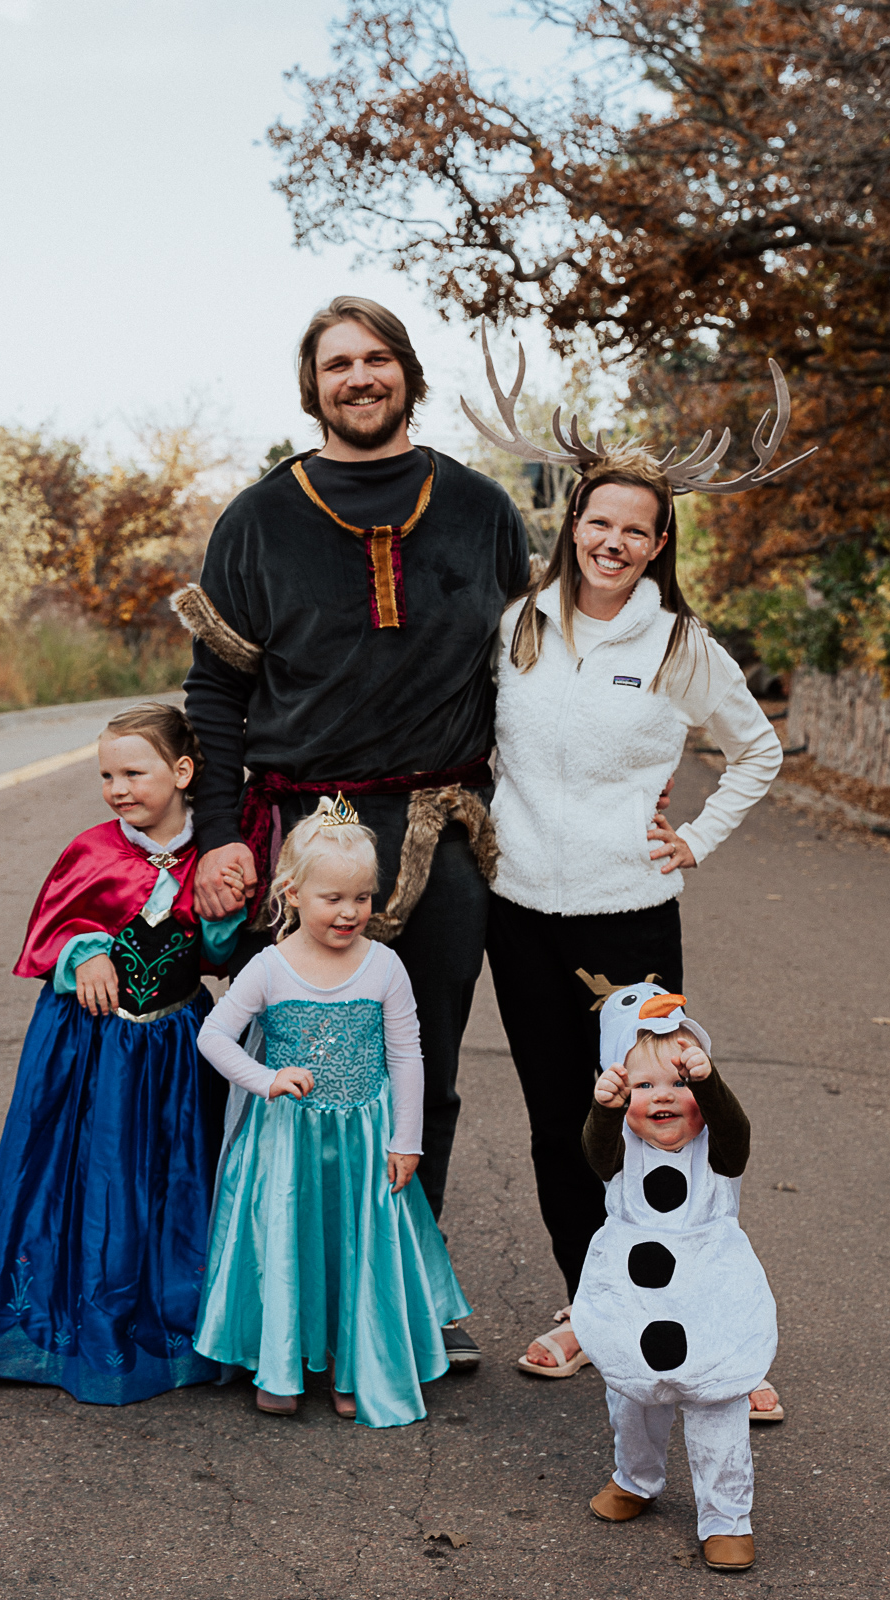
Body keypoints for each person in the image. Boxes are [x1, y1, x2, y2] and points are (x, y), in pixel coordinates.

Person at [177, 296, 531, 1371]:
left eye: (377, 358)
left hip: (444, 821)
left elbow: (534, 681)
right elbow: (215, 692)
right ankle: (281, 1290)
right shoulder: (257, 518)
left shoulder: (477, 509)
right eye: (338, 363)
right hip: (304, 828)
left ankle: (410, 1291)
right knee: (293, 1061)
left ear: (406, 374)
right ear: (312, 383)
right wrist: (216, 837)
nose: (359, 377)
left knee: (421, 1065)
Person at [463, 341, 806, 1411]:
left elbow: (758, 750)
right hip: (520, 917)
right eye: (597, 522)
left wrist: (693, 839)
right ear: (573, 525)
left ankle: (715, 1335)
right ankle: (590, 1308)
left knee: (669, 1114)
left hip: (630, 919)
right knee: (564, 1123)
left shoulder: (680, 645)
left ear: (661, 543)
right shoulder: (516, 625)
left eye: (635, 529)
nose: (612, 541)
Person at [0, 703, 244, 1404]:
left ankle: (175, 1325)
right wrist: (84, 952)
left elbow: (217, 957)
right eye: (106, 774)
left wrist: (228, 915)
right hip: (90, 1046)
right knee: (86, 1173)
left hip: (174, 1046)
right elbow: (58, 924)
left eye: (133, 772)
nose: (117, 787)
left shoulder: (211, 858)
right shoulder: (91, 851)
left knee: (174, 1176)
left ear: (181, 773)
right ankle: (65, 1325)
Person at [193, 796, 471, 1426]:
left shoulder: (385, 967)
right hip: (286, 1142)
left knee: (356, 1250)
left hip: (366, 1139)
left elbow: (407, 1056)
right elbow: (212, 1038)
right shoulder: (268, 969)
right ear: (291, 893)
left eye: (363, 898)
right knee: (290, 1245)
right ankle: (282, 1363)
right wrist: (263, 1079)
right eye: (333, 899)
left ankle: (356, 1365)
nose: (350, 913)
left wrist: (407, 1140)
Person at [570, 983, 777, 1573]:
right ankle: (635, 1478)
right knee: (632, 1397)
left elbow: (736, 1136)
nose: (664, 1097)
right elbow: (596, 1154)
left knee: (717, 1405)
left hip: (709, 1288)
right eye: (643, 1086)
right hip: (633, 1296)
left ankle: (726, 1516)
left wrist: (710, 1084)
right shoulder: (620, 1143)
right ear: (618, 1087)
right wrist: (603, 1109)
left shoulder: (715, 1143)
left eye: (681, 1083)